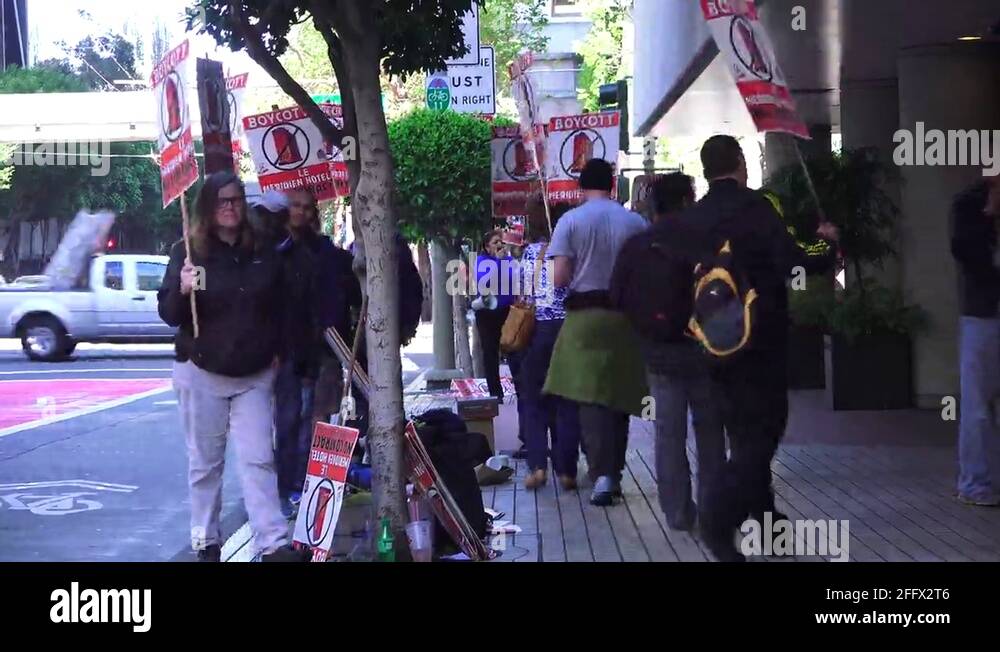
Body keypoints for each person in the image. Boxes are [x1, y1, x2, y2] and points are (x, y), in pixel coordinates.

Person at [683, 136, 838, 561]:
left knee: (740, 431)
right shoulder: (756, 208)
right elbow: (793, 260)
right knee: (762, 434)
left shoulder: (694, 218)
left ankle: (767, 524)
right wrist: (827, 245)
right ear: (739, 162)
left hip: (713, 346)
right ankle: (718, 520)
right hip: (762, 343)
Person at [157, 171, 304, 562]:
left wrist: (279, 350)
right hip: (201, 370)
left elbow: (283, 305)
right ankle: (206, 541)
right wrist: (182, 289)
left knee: (259, 457)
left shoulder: (261, 250)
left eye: (236, 199)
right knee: (205, 464)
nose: (230, 207)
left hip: (254, 373)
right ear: (208, 206)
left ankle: (272, 542)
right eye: (221, 200)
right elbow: (170, 314)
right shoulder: (188, 253)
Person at [611, 173, 725, 531]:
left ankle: (677, 512)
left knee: (668, 433)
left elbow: (617, 296)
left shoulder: (638, 245)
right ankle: (713, 509)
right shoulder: (706, 243)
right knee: (710, 432)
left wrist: (645, 328)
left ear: (653, 204)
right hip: (704, 350)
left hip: (658, 352)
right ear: (688, 200)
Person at [545, 159, 649, 506]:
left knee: (588, 396)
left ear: (581, 187)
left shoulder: (570, 221)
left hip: (584, 318)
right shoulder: (635, 222)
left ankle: (600, 473)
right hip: (625, 317)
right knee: (619, 395)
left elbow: (559, 278)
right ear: (613, 185)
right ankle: (613, 473)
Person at [519, 197, 581, 490]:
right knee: (567, 401)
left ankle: (537, 466)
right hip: (569, 331)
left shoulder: (531, 253)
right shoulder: (574, 253)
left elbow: (525, 293)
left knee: (534, 401)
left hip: (539, 331)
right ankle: (567, 470)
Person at [950, 173, 1000, 506]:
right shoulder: (969, 203)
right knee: (978, 406)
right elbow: (965, 252)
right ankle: (975, 483)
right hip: (984, 313)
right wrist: (990, 213)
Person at [473, 230, 518, 401]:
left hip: (506, 310)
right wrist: (498, 263)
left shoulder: (509, 260)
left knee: (513, 348)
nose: (499, 245)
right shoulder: (481, 261)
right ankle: (495, 393)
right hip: (487, 313)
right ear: (486, 247)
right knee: (490, 353)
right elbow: (485, 283)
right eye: (495, 242)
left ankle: (518, 386)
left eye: (501, 241)